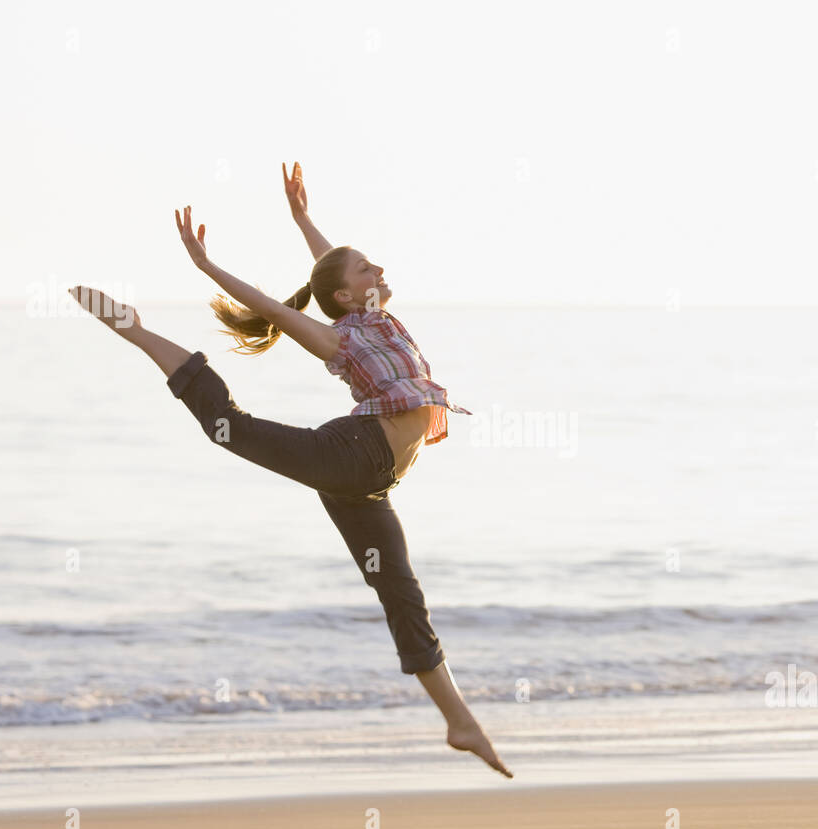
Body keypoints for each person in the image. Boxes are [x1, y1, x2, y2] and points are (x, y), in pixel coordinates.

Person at [66, 162, 511, 779]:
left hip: (370, 482)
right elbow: (275, 304)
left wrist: (303, 218)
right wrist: (207, 268)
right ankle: (138, 331)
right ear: (347, 297)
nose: (377, 269)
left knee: (402, 596)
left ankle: (460, 723)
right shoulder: (342, 341)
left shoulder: (377, 317)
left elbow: (332, 270)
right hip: (351, 456)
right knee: (231, 428)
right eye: (366, 269)